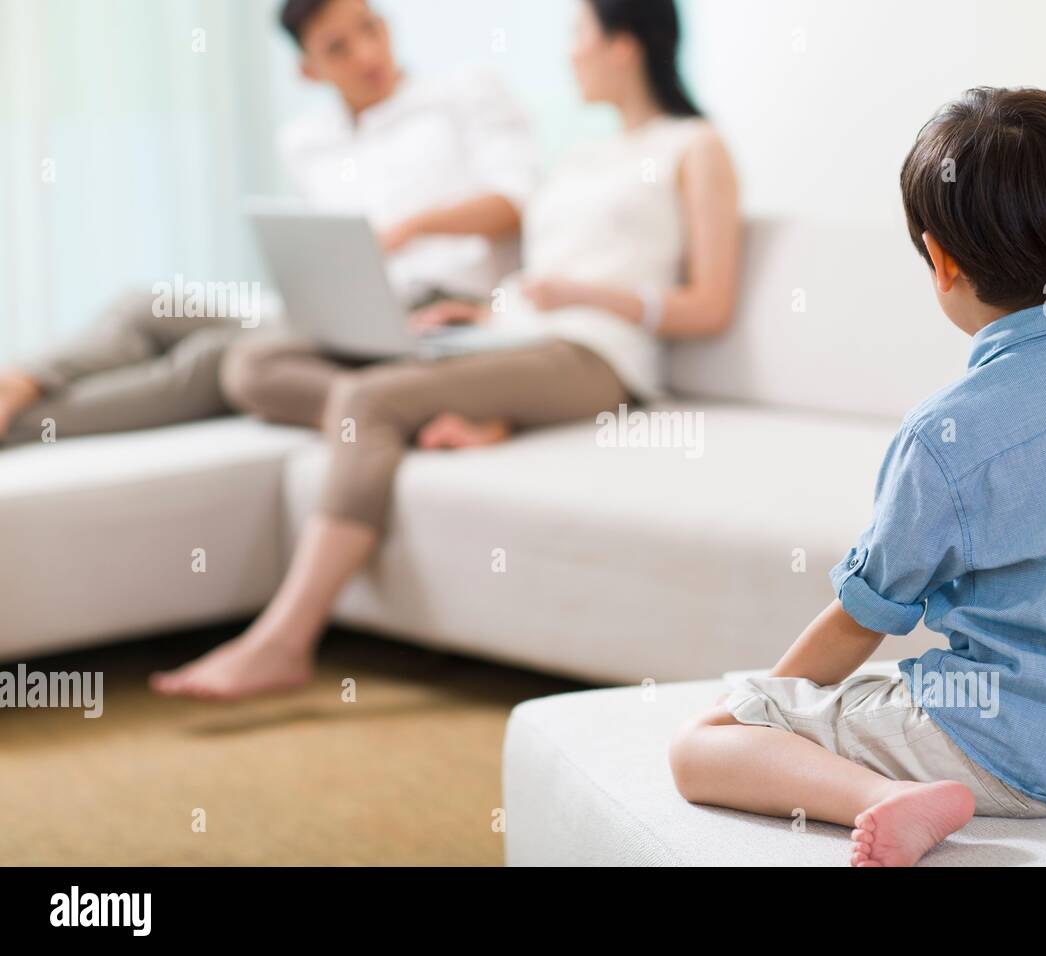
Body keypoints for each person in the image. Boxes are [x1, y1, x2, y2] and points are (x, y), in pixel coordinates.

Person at [668, 87, 1046, 867]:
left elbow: (863, 615)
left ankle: (885, 803)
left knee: (704, 742)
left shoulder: (946, 432)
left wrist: (772, 706)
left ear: (940, 259)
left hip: (1011, 751)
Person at [150, 0, 742, 700]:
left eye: (578, 35)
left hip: (598, 354)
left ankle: (282, 642)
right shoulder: (583, 153)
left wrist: (584, 296)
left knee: (366, 397)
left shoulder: (695, 146)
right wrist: (487, 313)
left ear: (624, 46)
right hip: (522, 335)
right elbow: (538, 271)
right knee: (269, 364)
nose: (568, 54)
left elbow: (710, 305)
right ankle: (472, 422)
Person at [0, 0, 535, 447]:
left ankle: (23, 427)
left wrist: (413, 227)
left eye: (369, 28)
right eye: (337, 47)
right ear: (307, 70)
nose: (366, 54)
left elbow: (518, 203)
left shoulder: (465, 93)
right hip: (336, 312)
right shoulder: (306, 142)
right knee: (142, 305)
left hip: (427, 309)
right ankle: (19, 378)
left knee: (214, 359)